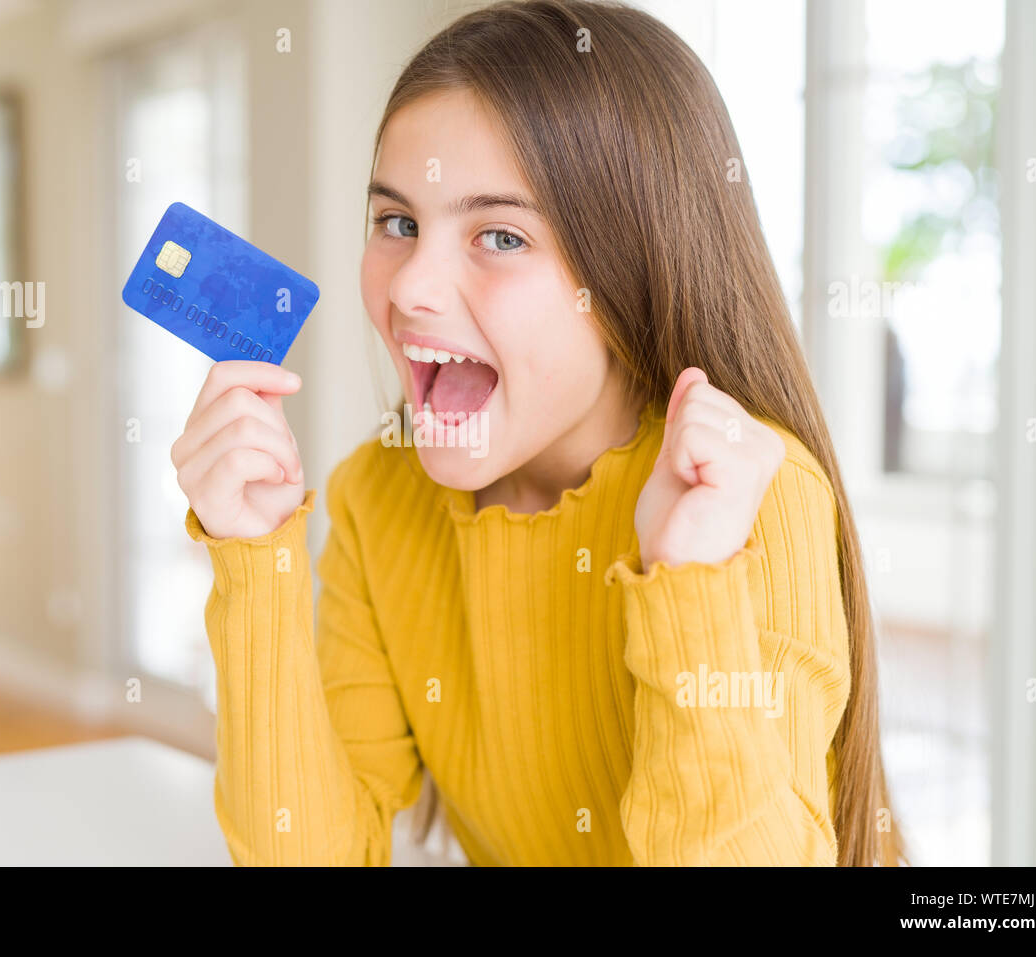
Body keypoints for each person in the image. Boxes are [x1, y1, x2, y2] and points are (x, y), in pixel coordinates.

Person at [171, 0, 905, 866]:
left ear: (631, 267)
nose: (411, 289)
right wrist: (253, 562)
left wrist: (692, 584)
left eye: (501, 235)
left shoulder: (757, 498)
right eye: (397, 223)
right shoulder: (380, 493)